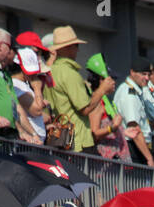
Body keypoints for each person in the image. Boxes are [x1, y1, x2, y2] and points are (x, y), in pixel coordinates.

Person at [45, 26, 113, 154]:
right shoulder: (70, 73)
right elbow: (85, 108)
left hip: (59, 140)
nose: (77, 50)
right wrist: (102, 89)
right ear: (68, 47)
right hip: (78, 141)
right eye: (76, 45)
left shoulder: (50, 71)